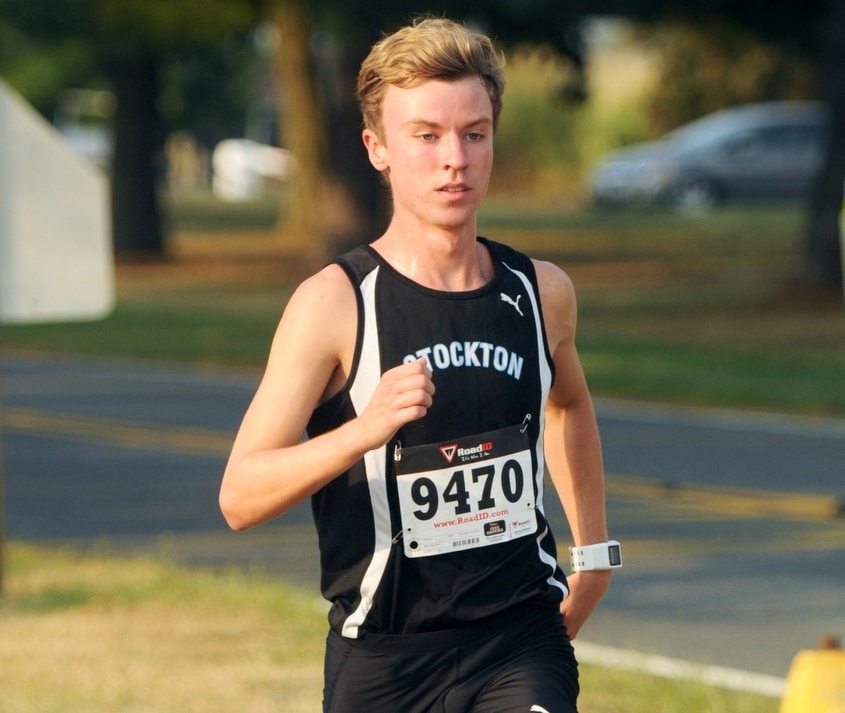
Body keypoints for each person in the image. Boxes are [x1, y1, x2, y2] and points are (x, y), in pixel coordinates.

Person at [220, 16, 617, 713]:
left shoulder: (540, 292)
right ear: (378, 148)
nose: (454, 159)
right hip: (384, 656)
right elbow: (240, 496)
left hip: (519, 639)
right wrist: (363, 428)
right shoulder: (335, 304)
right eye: (426, 136)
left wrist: (592, 552)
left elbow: (568, 403)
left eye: (474, 133)